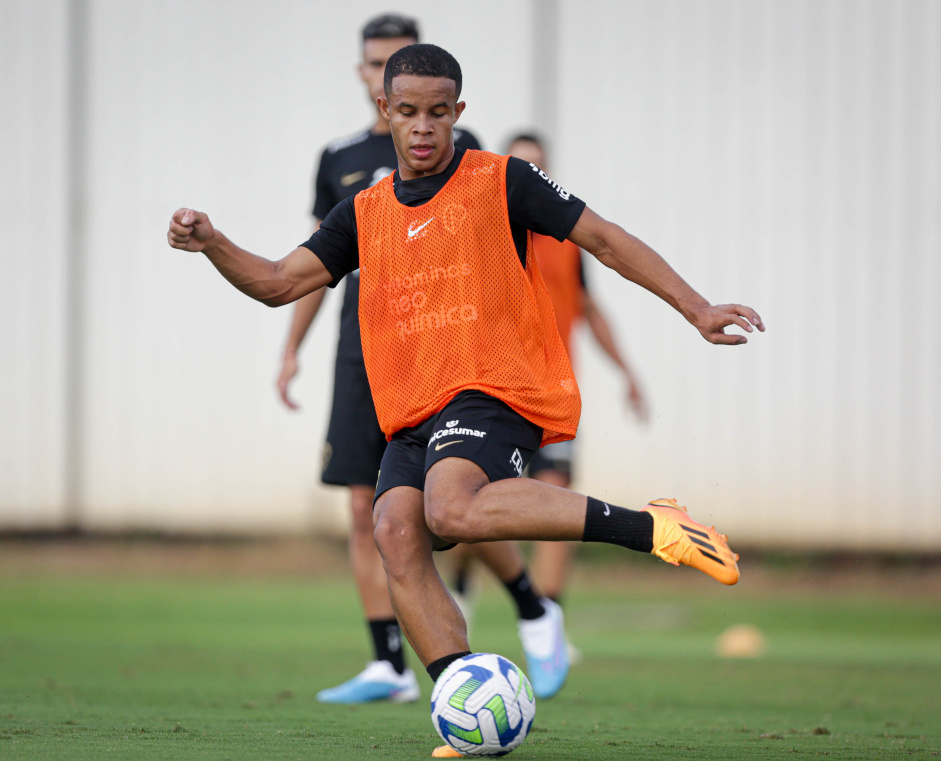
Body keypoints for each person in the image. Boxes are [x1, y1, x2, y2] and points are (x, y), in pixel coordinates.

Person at [167, 42, 764, 753]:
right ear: (384, 110)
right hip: (411, 409)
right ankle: (467, 701)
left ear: (458, 113)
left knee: (448, 506)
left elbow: (603, 239)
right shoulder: (362, 212)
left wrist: (695, 308)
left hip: (493, 385)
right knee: (394, 529)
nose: (423, 127)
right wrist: (212, 242)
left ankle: (651, 526)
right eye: (409, 112)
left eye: (438, 113)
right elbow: (274, 282)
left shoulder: (501, 180)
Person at [275, 17, 567, 704]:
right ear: (369, 82)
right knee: (366, 506)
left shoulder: (458, 150)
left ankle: (530, 602)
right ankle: (389, 663)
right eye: (375, 65)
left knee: (451, 502)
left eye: (394, 62)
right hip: (363, 343)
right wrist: (291, 348)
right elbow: (308, 262)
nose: (419, 119)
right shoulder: (338, 158)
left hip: (444, 344)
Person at [450, 132, 650, 626]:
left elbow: (586, 307)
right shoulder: (478, 233)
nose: (531, 175)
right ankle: (461, 588)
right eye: (521, 165)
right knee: (475, 505)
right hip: (493, 390)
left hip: (552, 391)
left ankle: (549, 617)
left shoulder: (568, 240)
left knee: (556, 493)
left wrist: (626, 371)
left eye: (539, 166)